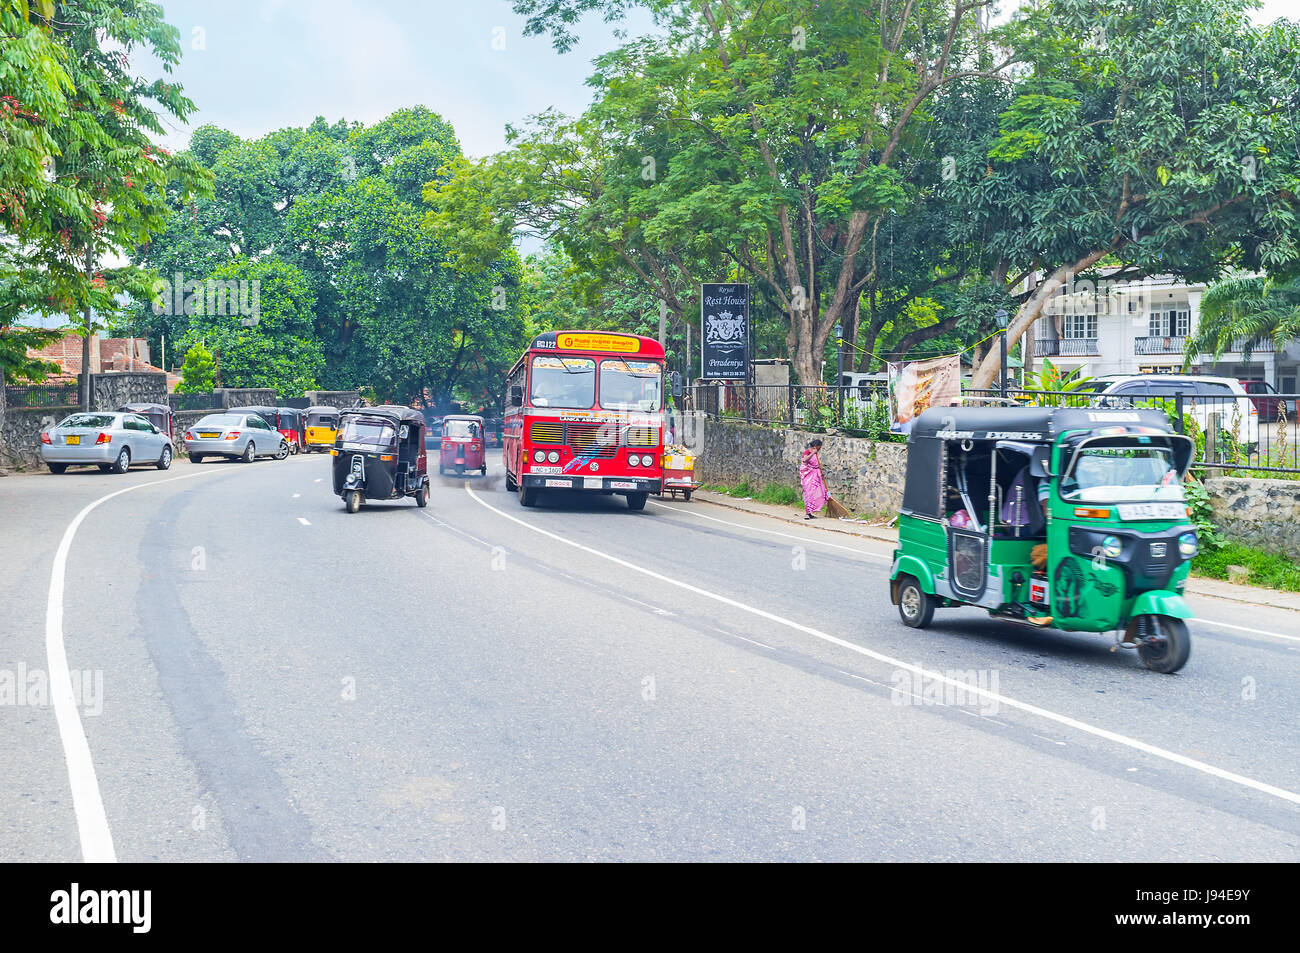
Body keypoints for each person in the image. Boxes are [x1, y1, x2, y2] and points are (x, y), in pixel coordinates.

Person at [799, 438, 829, 519]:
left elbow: (816, 464)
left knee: (822, 491)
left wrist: (820, 472)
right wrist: (812, 453)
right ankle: (808, 513)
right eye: (820, 447)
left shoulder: (816, 453)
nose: (820, 448)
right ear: (816, 446)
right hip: (808, 476)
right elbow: (805, 460)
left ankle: (815, 509)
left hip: (816, 476)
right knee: (809, 494)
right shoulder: (808, 452)